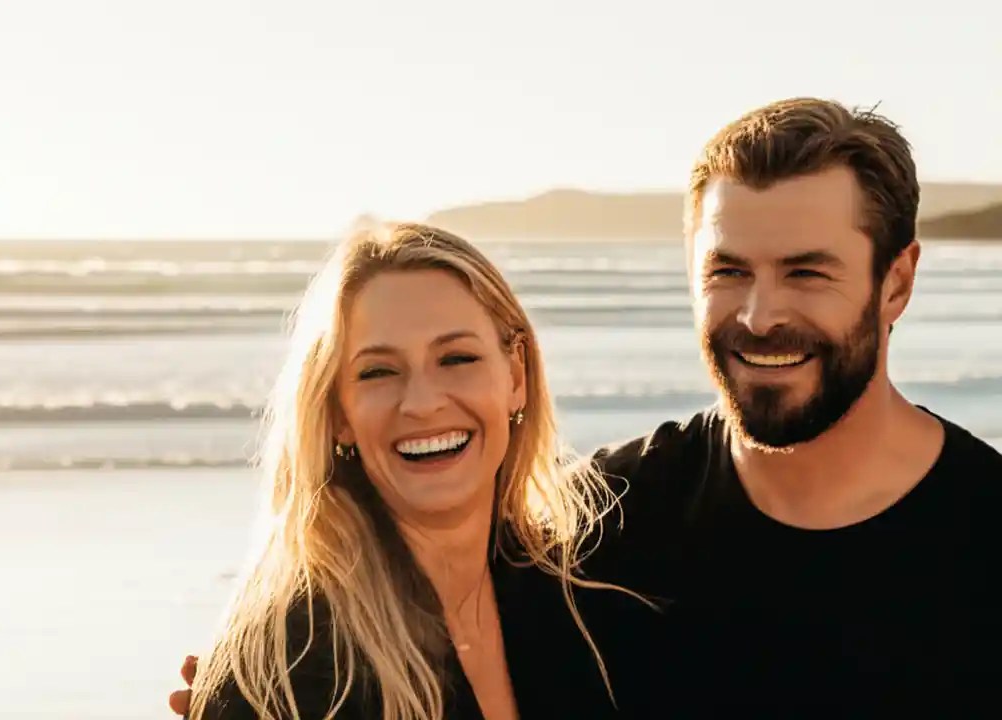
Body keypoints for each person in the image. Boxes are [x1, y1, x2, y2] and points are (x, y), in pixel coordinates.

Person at [172, 97, 1002, 717]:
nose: (758, 315)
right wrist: (245, 684)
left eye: (806, 272)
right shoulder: (593, 533)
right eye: (728, 271)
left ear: (896, 281)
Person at [182, 222, 640, 720]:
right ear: (338, 413)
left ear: (515, 376)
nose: (422, 404)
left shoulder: (579, 593)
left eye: (457, 358)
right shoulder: (295, 664)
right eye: (378, 371)